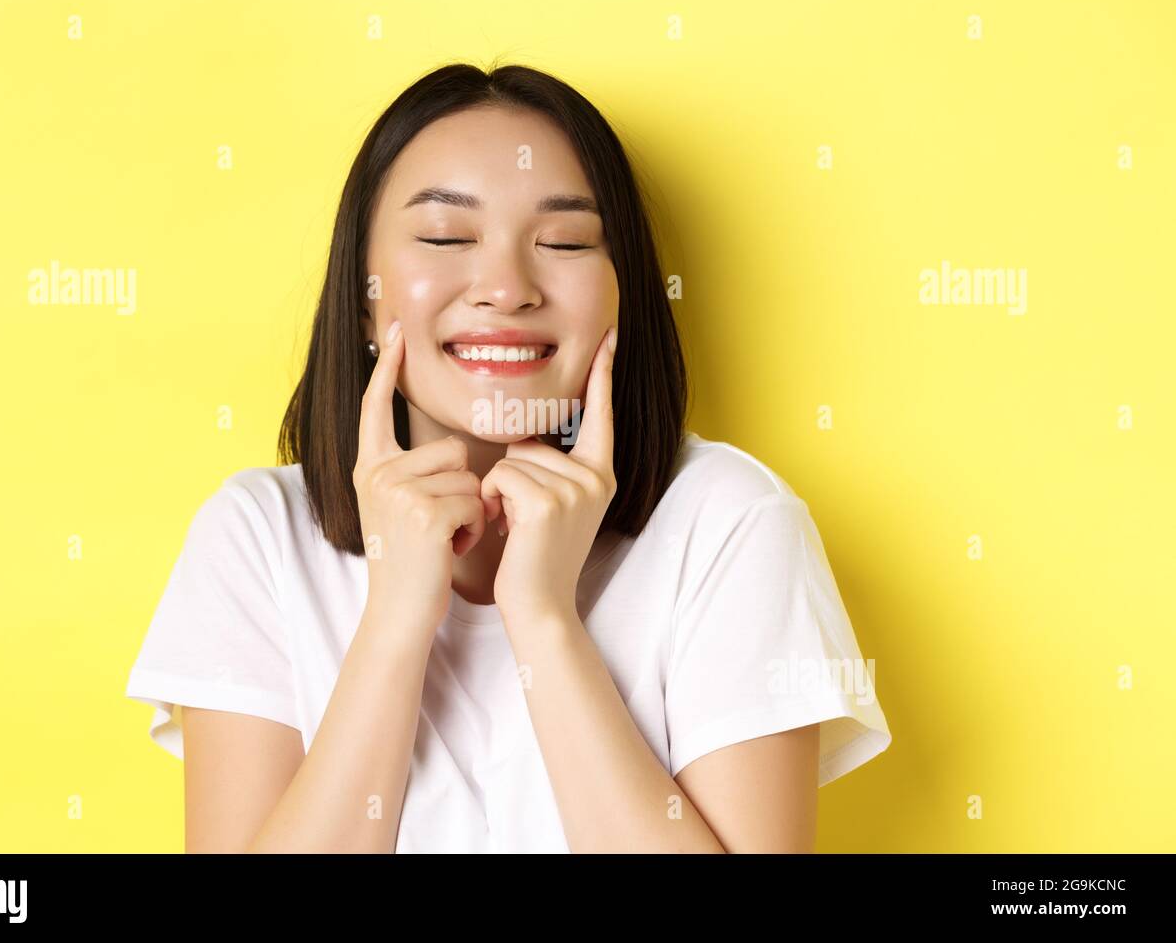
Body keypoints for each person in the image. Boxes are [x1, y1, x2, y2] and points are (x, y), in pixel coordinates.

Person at [125, 61, 891, 853]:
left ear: (623, 290)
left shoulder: (731, 524)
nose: (506, 287)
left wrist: (545, 619)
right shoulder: (256, 536)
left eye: (562, 241)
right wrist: (394, 622)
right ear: (364, 292)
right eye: (446, 237)